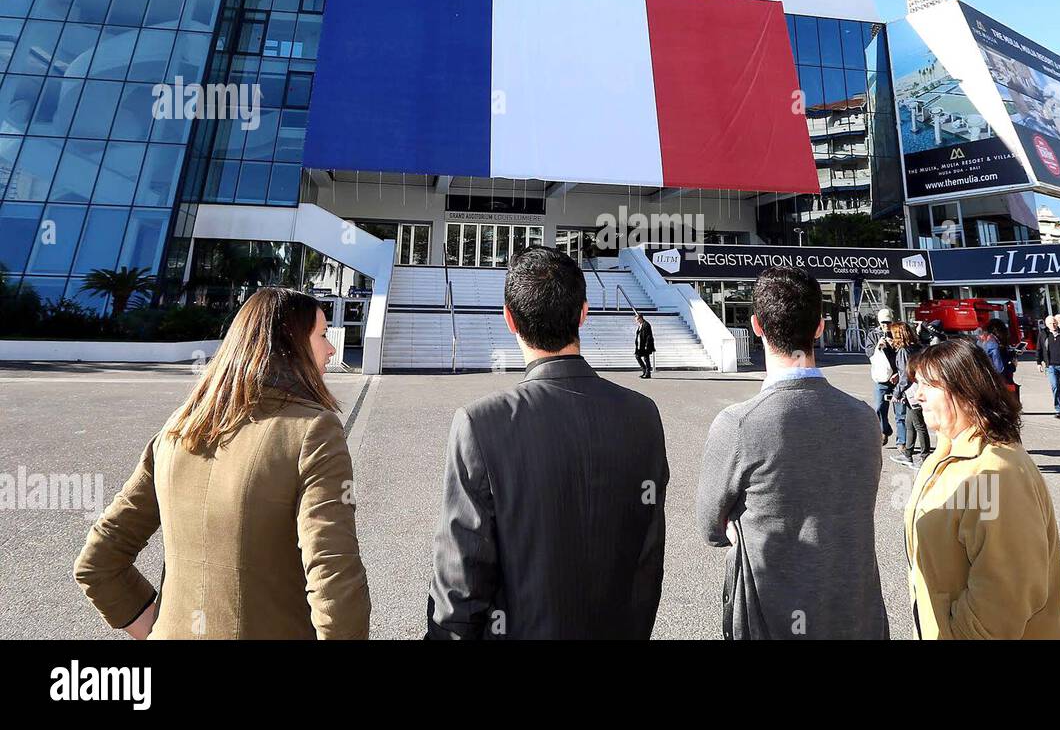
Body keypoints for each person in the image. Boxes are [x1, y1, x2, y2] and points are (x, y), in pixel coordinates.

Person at [74, 288, 370, 639]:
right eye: (322, 335)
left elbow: (98, 563)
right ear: (291, 346)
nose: (332, 349)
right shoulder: (312, 431)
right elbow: (333, 579)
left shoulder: (177, 429)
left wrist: (158, 631)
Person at [426, 247, 668, 639]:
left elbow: (461, 575)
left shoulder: (481, 423)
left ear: (509, 319)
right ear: (584, 313)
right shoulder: (643, 415)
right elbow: (647, 553)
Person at [696, 266, 888, 639]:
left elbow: (710, 528)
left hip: (768, 612)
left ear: (756, 327)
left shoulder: (738, 424)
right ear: (819, 326)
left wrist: (739, 527)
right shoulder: (864, 419)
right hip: (856, 611)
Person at [905, 338, 1060, 639]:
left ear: (966, 390)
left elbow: (1006, 592)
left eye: (928, 385)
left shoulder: (996, 470)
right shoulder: (943, 456)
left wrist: (958, 634)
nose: (917, 396)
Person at [890, 321, 930, 468]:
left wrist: (897, 392)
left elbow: (905, 376)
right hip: (918, 386)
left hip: (911, 391)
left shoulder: (903, 351)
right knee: (909, 423)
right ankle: (907, 454)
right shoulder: (917, 347)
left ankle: (924, 456)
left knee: (918, 424)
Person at [865, 309, 898, 445]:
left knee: (901, 412)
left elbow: (905, 354)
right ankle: (884, 430)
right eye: (883, 322)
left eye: (888, 322)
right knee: (879, 407)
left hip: (897, 377)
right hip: (882, 377)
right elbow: (868, 352)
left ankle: (902, 442)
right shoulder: (873, 334)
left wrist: (894, 344)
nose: (886, 325)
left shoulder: (897, 332)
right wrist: (878, 346)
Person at [981, 317, 1018, 400]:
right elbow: (999, 369)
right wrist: (1013, 366)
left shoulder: (982, 341)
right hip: (999, 384)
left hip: (984, 381)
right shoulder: (994, 345)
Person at [634, 313, 655, 378]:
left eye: (637, 319)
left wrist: (647, 345)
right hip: (640, 345)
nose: (636, 321)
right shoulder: (640, 325)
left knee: (646, 359)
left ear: (640, 318)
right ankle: (644, 370)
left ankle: (648, 373)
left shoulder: (646, 325)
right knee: (637, 356)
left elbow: (649, 336)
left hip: (645, 345)